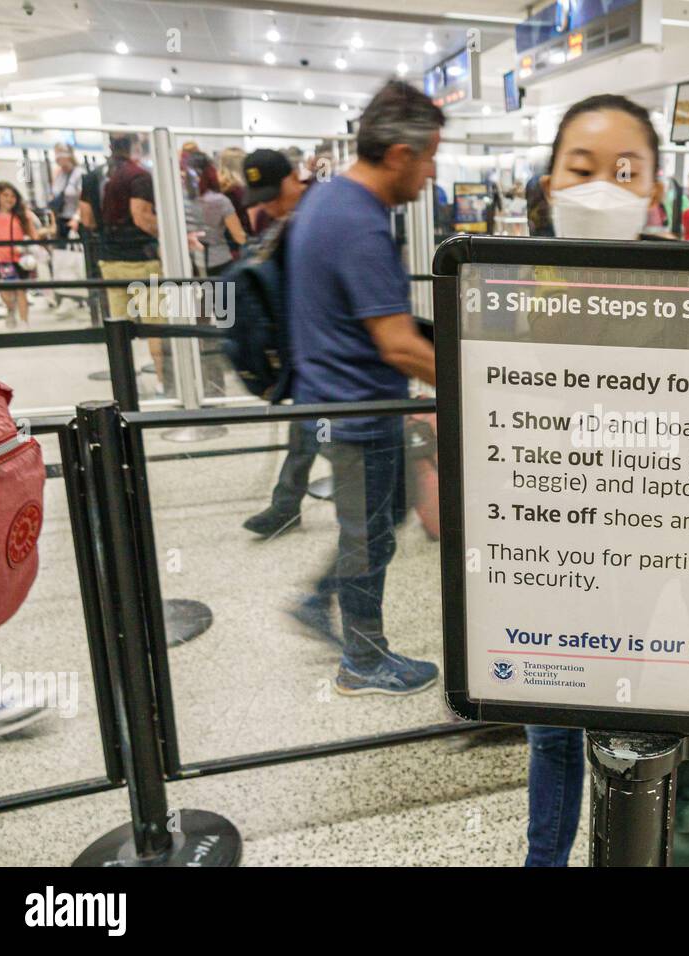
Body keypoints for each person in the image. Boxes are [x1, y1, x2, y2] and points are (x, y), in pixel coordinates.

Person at [521, 93, 667, 866]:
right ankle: (544, 860)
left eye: (624, 170)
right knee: (548, 729)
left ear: (654, 190)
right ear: (549, 182)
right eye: (581, 168)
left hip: (642, 555)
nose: (601, 188)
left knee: (630, 725)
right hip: (539, 551)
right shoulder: (510, 289)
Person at [285, 78, 442, 697]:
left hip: (329, 399)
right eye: (429, 156)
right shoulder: (360, 224)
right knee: (368, 538)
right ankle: (363, 662)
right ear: (400, 155)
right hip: (356, 412)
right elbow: (397, 343)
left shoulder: (329, 200)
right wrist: (484, 384)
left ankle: (319, 601)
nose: (431, 172)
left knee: (385, 511)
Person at [240, 149, 316, 539]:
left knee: (347, 440)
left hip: (340, 356)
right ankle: (286, 507)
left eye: (273, 195)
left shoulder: (324, 213)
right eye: (261, 200)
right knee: (307, 430)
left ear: (293, 178)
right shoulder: (286, 224)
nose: (268, 206)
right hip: (310, 355)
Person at [95, 135, 164, 388]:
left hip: (109, 260)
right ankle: (160, 380)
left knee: (120, 326)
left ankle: (126, 386)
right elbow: (142, 217)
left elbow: (87, 217)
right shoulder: (139, 175)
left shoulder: (94, 176)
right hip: (140, 258)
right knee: (154, 322)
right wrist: (167, 236)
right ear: (136, 146)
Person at [0, 182, 49, 328]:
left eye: (13, 196)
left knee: (21, 290)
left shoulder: (22, 214)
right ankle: (11, 309)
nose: (9, 199)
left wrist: (37, 238)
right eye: (5, 195)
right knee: (4, 292)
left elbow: (33, 235)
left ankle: (24, 322)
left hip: (19, 258)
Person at [49, 143, 84, 240]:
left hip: (76, 220)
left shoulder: (79, 173)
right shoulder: (57, 173)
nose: (57, 158)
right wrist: (53, 223)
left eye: (60, 154)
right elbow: (53, 198)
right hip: (60, 220)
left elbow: (83, 199)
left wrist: (76, 218)